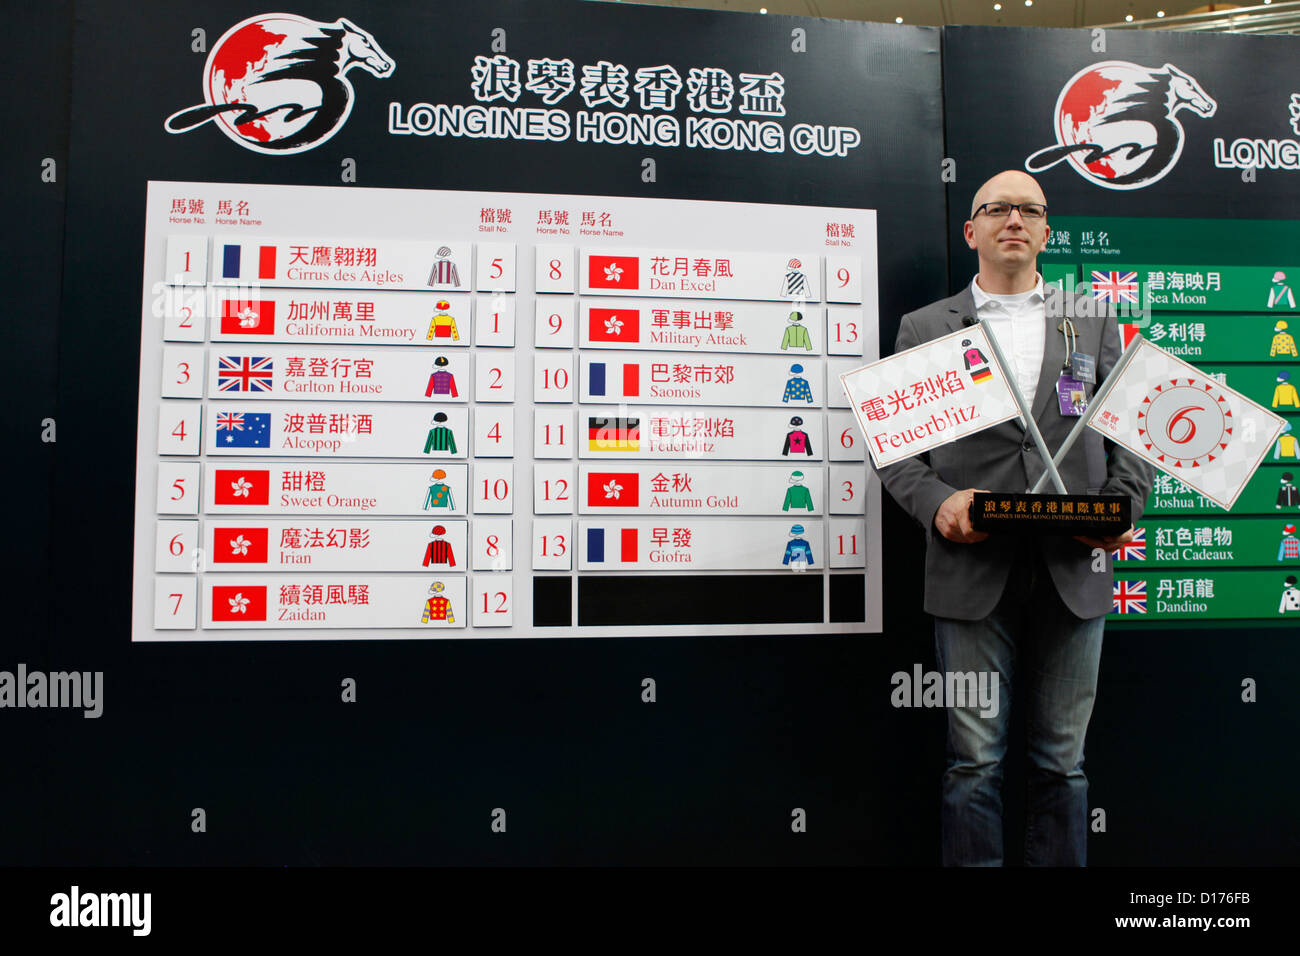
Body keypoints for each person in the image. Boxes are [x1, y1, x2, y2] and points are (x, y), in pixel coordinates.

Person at [875, 170, 1155, 866]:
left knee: (1064, 761)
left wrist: (1124, 508)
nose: (1014, 220)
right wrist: (939, 503)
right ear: (971, 231)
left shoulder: (1090, 318)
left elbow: (1135, 435)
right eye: (997, 209)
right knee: (973, 762)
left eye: (1029, 210)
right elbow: (897, 452)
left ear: (1046, 231)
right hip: (970, 566)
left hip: (1075, 566)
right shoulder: (924, 327)